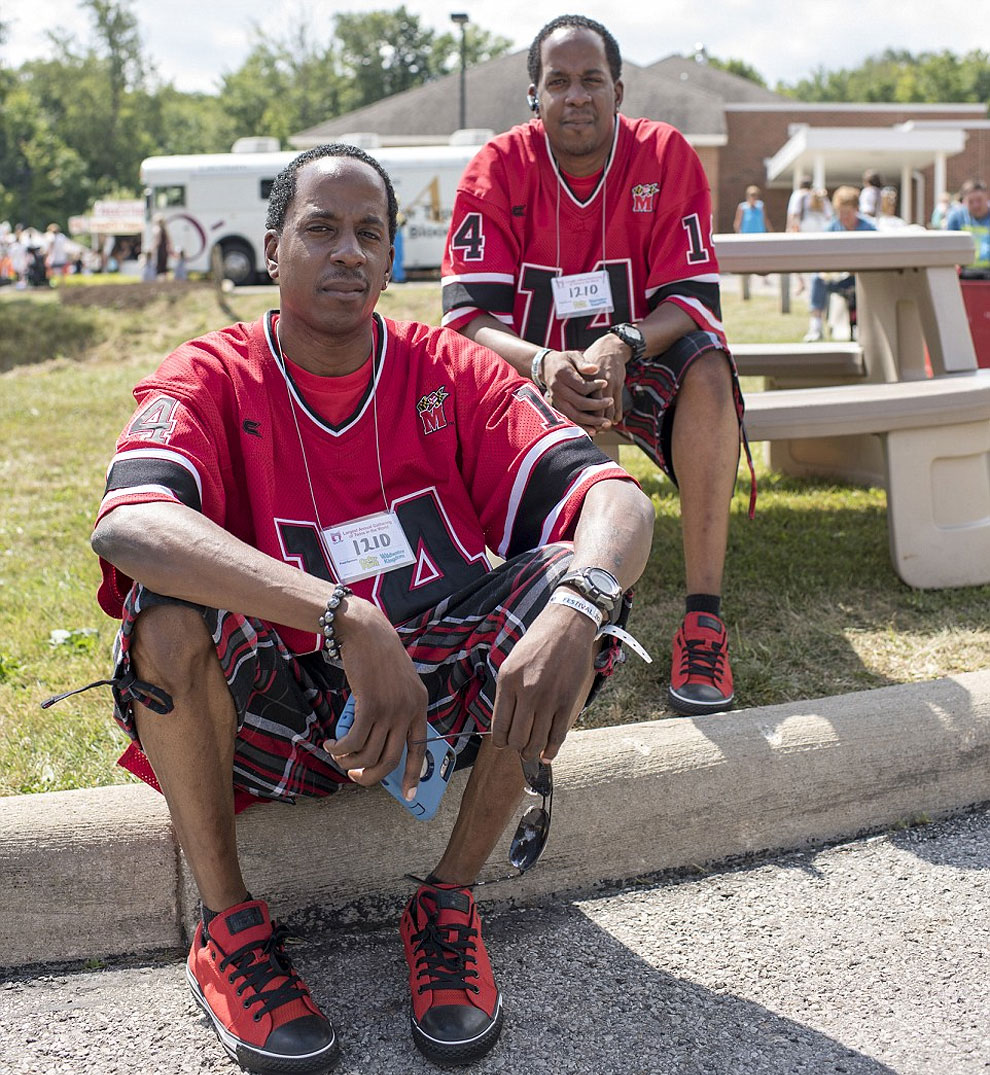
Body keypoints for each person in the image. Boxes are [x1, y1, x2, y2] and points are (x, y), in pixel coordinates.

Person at [82, 144, 654, 1073]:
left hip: (437, 707)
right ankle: (228, 931)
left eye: (368, 233)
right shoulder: (214, 372)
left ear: (392, 260)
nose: (347, 251)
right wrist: (343, 615)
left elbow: (616, 502)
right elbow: (132, 522)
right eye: (320, 229)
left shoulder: (450, 369)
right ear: (272, 249)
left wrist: (578, 608)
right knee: (166, 615)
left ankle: (448, 901)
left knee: (576, 585)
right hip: (279, 704)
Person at [441, 15, 746, 718]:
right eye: (558, 82)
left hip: (634, 364)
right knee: (456, 390)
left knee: (706, 368)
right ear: (533, 95)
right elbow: (466, 320)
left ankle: (703, 616)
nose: (575, 96)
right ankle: (513, 598)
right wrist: (544, 360)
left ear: (618, 90)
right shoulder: (496, 167)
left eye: (591, 80)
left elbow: (693, 300)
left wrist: (624, 342)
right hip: (527, 367)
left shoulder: (665, 154)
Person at [804, 185, 876, 343]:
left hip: (860, 277)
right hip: (839, 276)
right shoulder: (832, 228)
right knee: (817, 278)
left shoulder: (869, 229)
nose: (844, 217)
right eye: (840, 213)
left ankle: (860, 327)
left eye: (847, 213)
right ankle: (815, 326)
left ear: (856, 209)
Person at [946, 179, 990, 276]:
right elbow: (948, 247)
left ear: (987, 197)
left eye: (979, 200)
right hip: (964, 273)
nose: (975, 205)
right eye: (971, 202)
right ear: (964, 201)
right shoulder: (956, 217)